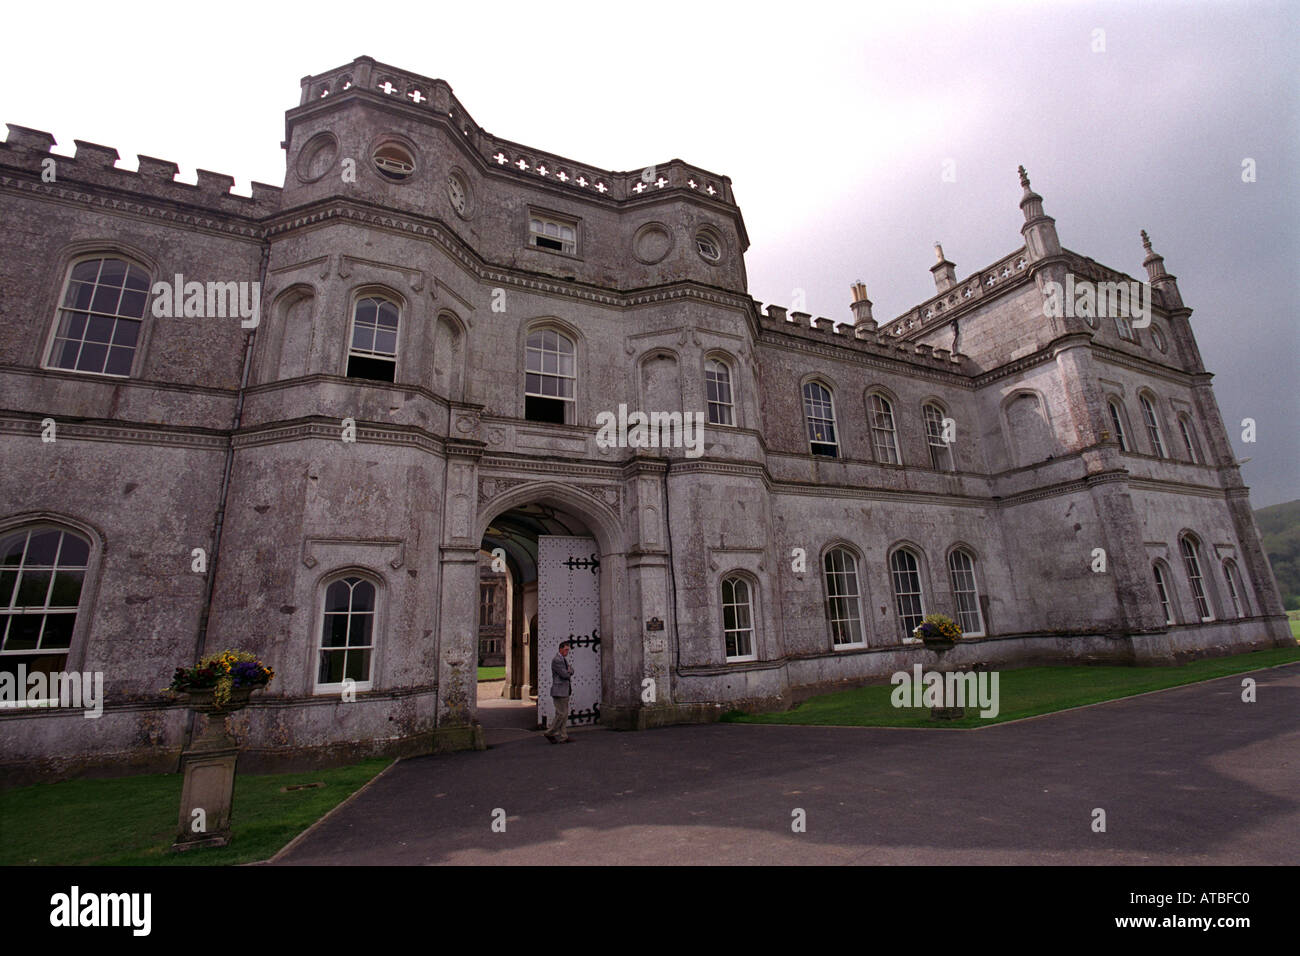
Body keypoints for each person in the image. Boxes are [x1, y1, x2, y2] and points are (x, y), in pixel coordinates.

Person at [545, 641, 575, 744]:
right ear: (560, 649)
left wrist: (569, 671)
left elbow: (571, 670)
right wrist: (569, 671)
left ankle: (563, 736)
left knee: (564, 714)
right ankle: (550, 732)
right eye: (566, 649)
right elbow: (565, 674)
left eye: (568, 650)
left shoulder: (563, 659)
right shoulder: (557, 660)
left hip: (564, 690)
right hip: (559, 691)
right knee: (561, 714)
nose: (567, 652)